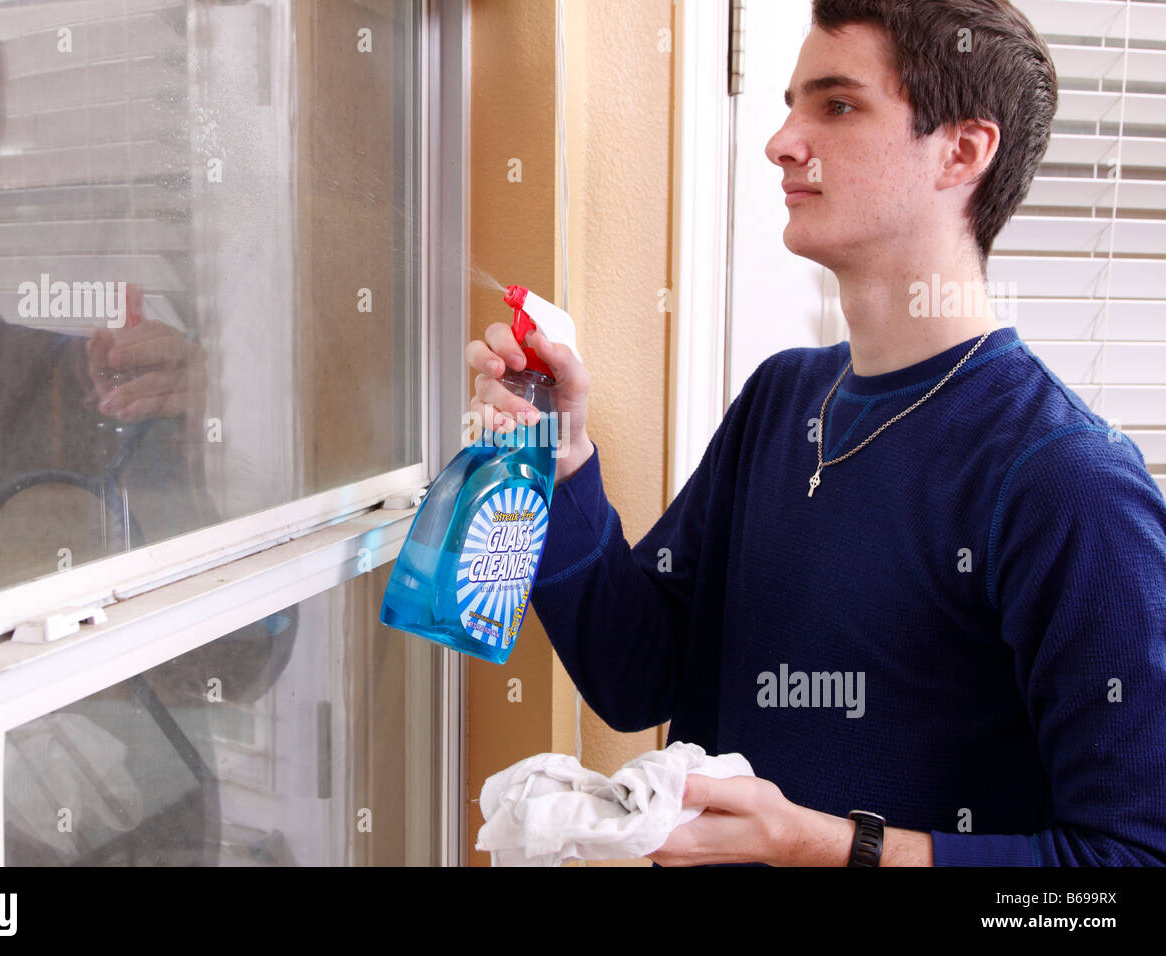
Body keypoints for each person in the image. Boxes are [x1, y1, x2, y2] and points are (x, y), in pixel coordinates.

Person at [465, 0, 1166, 866]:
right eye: (792, 102)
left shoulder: (1067, 482)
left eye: (836, 105)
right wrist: (563, 464)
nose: (782, 142)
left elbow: (1120, 869)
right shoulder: (782, 399)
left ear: (963, 150)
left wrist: (824, 846)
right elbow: (632, 675)